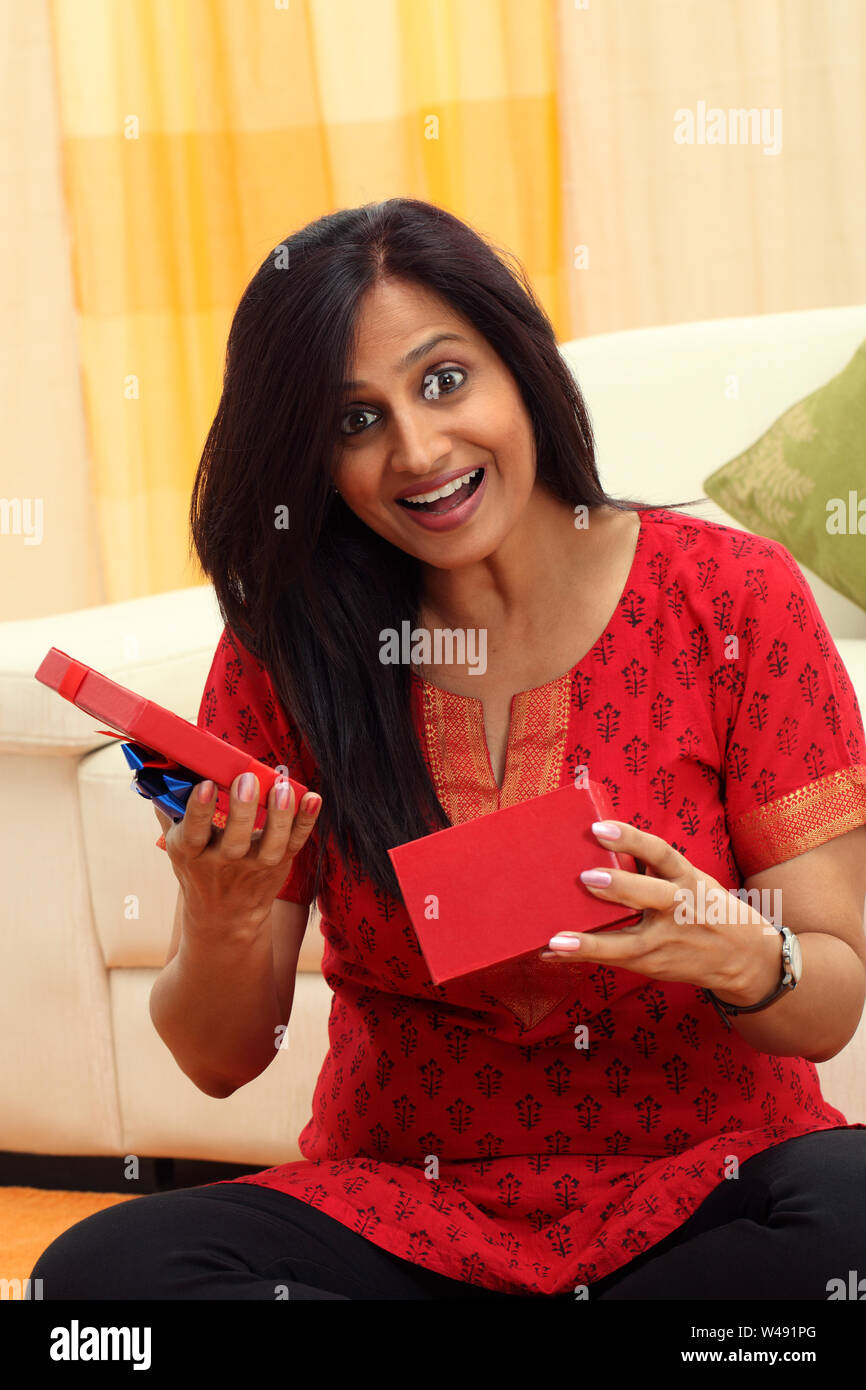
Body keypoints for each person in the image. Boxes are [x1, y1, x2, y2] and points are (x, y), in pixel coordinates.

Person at [31, 198, 866, 1300]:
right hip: (407, 1214)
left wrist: (740, 948)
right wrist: (220, 914)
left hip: (707, 1183)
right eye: (352, 422)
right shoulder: (289, 651)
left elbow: (832, 1000)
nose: (418, 451)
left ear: (517, 365)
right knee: (100, 1278)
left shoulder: (727, 595)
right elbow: (220, 1061)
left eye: (440, 381)